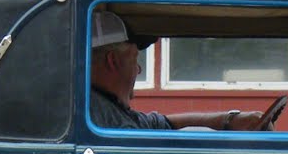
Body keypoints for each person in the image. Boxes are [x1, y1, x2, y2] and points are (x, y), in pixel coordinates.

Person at [88, 12, 270, 131]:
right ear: (112, 61)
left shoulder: (106, 107)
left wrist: (230, 121)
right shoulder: (95, 113)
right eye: (135, 59)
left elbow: (161, 124)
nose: (138, 69)